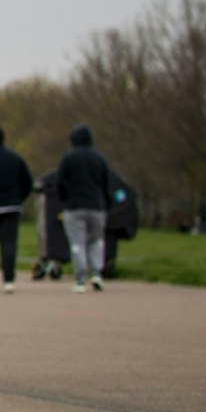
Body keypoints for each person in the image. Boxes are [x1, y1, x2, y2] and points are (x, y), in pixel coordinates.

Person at [55, 124, 116, 293]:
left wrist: (64, 199)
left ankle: (80, 278)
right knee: (97, 240)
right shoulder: (99, 158)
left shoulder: (68, 158)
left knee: (77, 242)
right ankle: (97, 272)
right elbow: (107, 183)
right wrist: (106, 203)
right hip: (97, 206)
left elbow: (60, 182)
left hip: (74, 207)